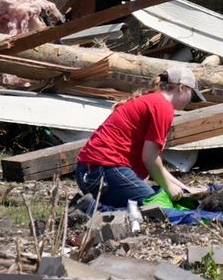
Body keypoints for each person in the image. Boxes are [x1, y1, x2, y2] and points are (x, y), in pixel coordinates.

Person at [75, 66, 204, 209]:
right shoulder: (163, 107)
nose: (190, 100)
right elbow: (149, 158)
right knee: (155, 207)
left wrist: (183, 189)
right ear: (181, 88)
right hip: (103, 169)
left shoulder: (153, 100)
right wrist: (169, 188)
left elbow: (155, 162)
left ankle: (92, 205)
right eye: (191, 93)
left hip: (90, 171)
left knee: (160, 199)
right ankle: (90, 209)